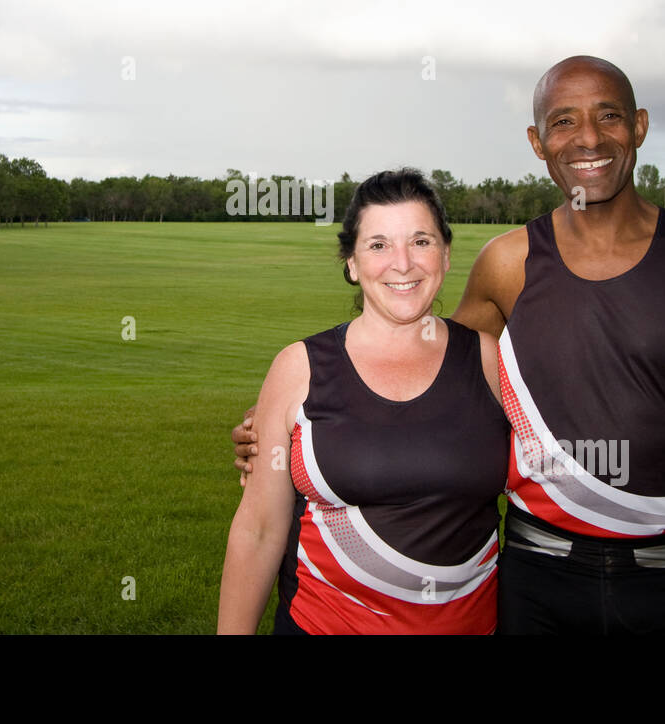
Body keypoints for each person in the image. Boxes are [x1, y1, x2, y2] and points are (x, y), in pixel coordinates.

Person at [455, 55, 665, 634]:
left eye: (608, 115)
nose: (589, 138)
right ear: (537, 142)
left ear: (639, 126)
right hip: (536, 584)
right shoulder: (507, 263)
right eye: (564, 121)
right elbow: (437, 388)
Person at [218, 169, 511, 634]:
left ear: (446, 254)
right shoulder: (299, 369)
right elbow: (258, 530)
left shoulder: (492, 361)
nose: (403, 263)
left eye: (421, 241)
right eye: (378, 245)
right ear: (352, 263)